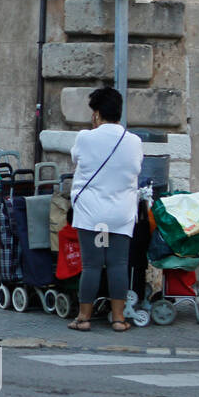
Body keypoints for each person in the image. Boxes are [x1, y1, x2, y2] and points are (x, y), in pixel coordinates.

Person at [68, 86, 145, 332]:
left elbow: (76, 159)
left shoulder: (85, 137)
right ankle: (119, 319)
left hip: (92, 214)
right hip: (121, 214)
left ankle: (84, 318)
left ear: (96, 114)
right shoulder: (134, 141)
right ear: (119, 113)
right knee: (117, 264)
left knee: (92, 265)